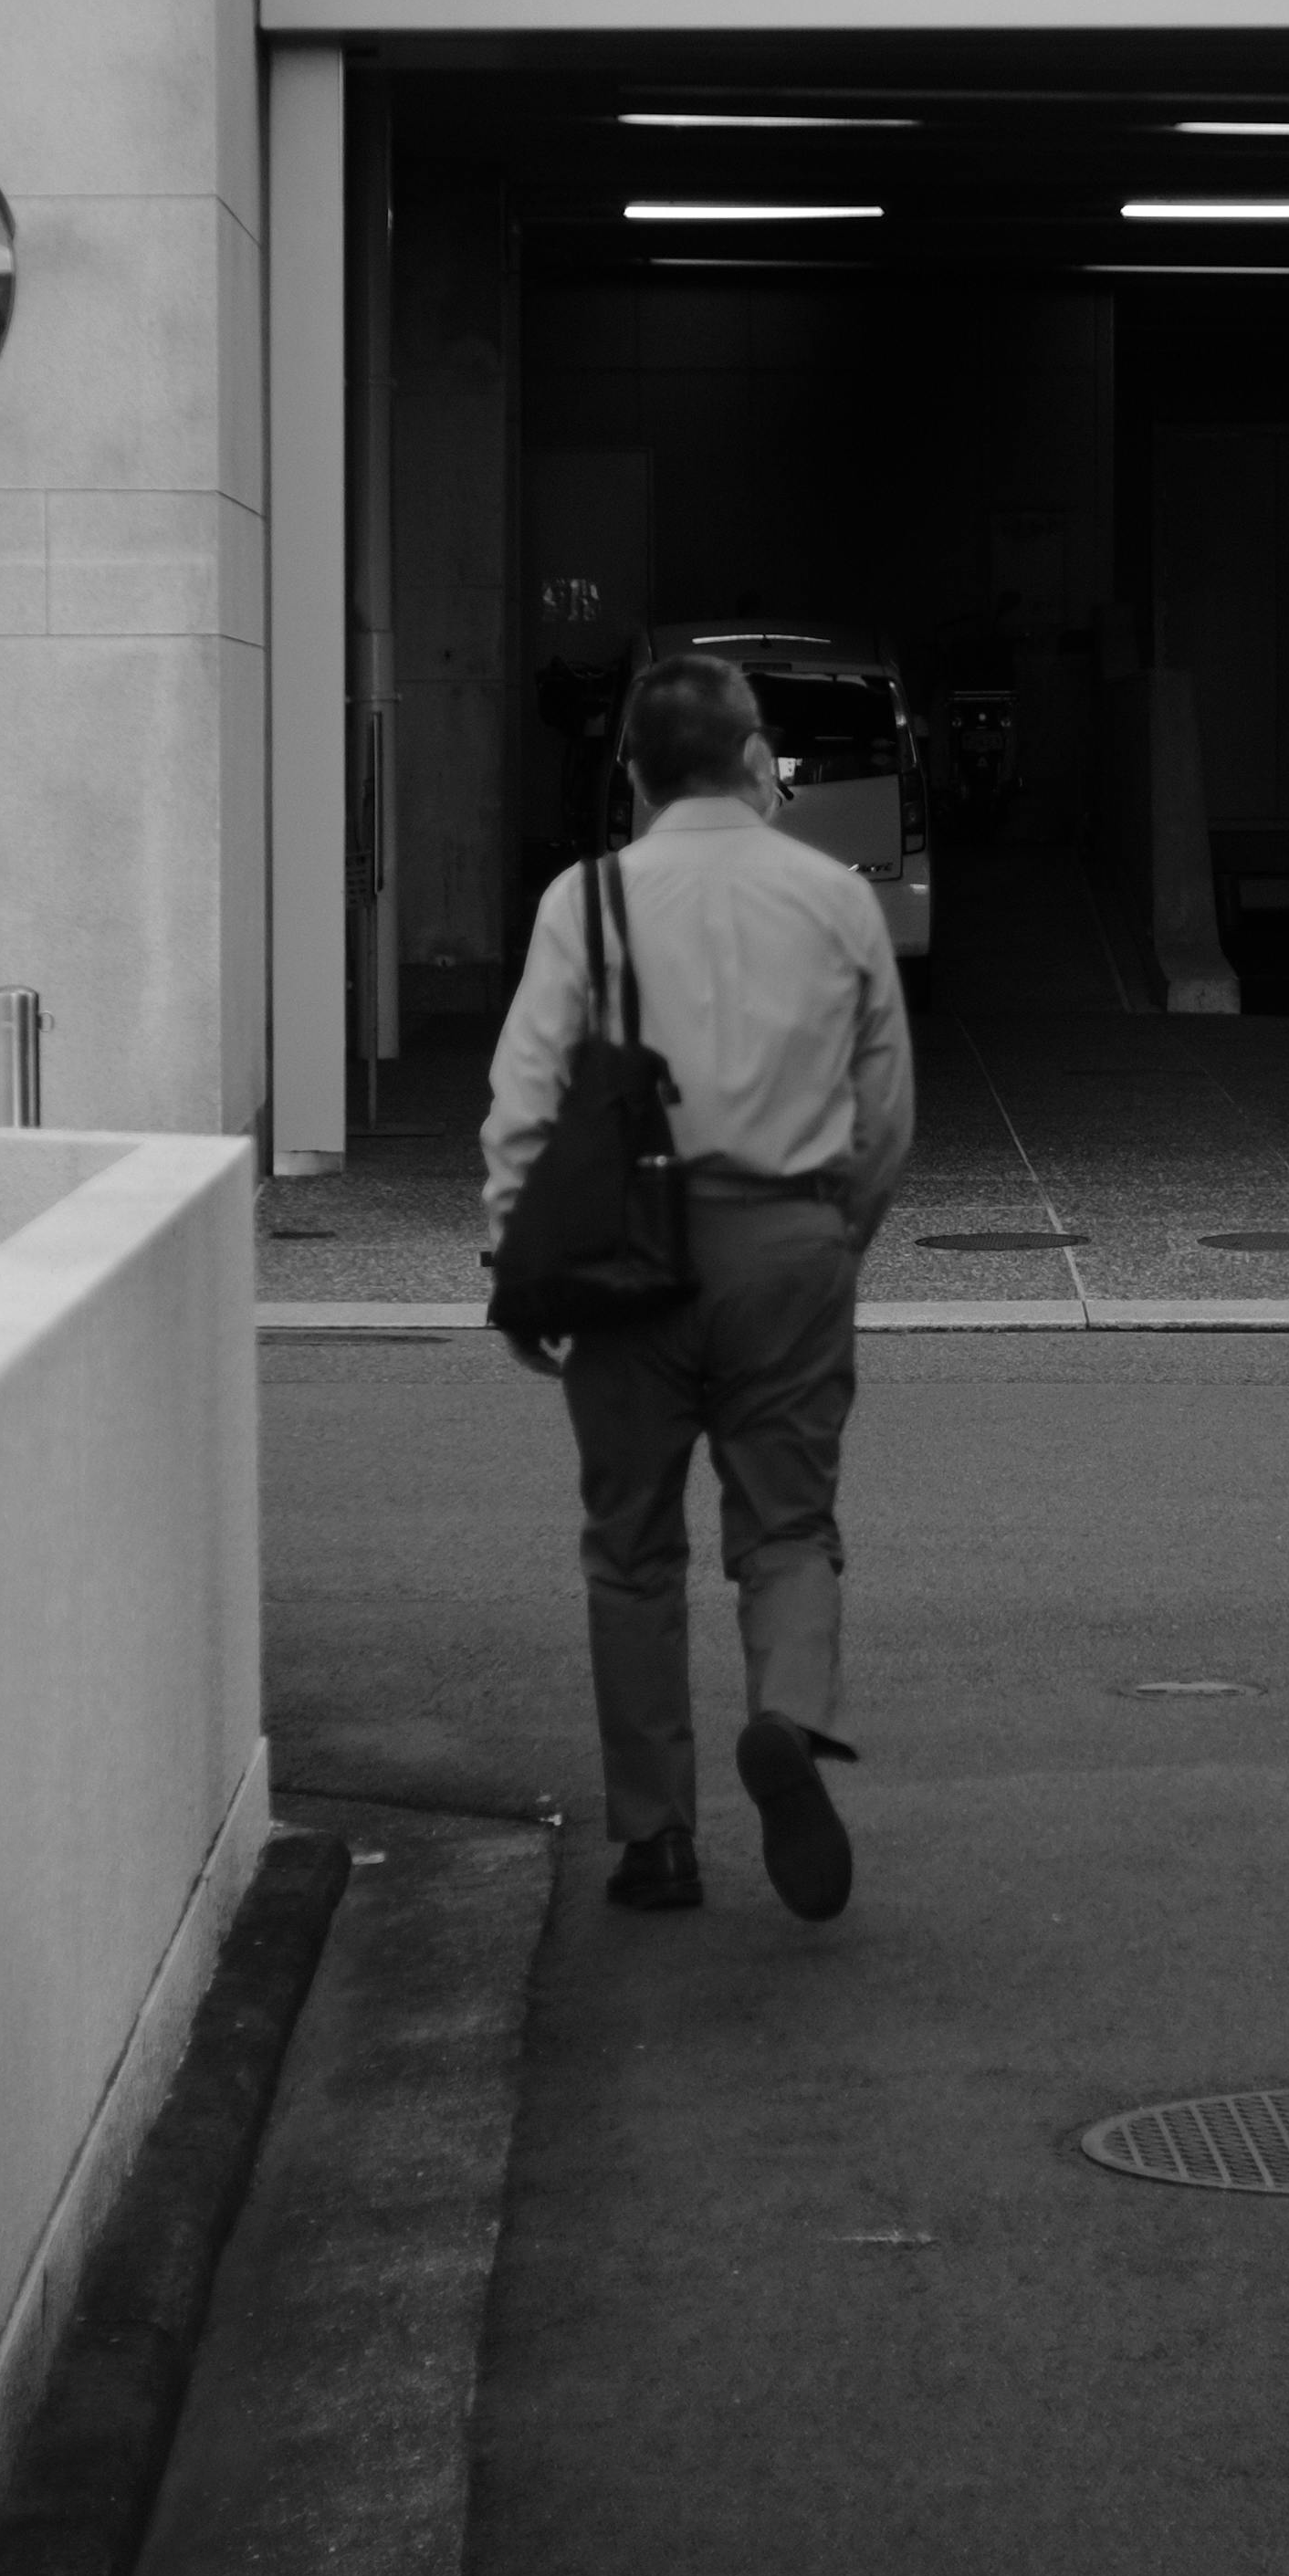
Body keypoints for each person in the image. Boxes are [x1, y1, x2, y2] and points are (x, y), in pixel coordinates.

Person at [484, 649, 916, 1922]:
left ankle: (657, 1841)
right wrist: (843, 1230)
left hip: (625, 1257)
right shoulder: (835, 894)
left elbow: (525, 1095)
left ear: (631, 772)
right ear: (754, 758)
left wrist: (517, 1258)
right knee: (786, 1525)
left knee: (630, 1550)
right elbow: (883, 1100)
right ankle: (784, 1713)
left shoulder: (591, 897)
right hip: (788, 1243)